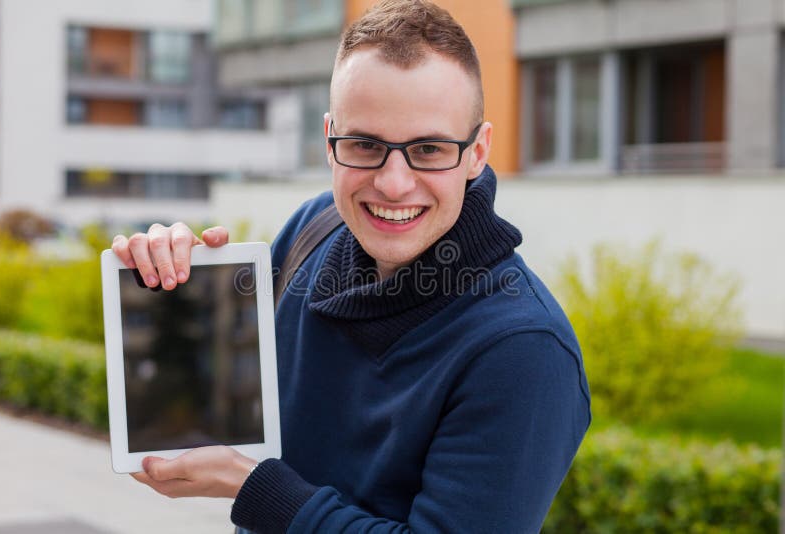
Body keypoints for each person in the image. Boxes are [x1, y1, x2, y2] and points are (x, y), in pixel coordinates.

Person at [111, 1, 591, 532]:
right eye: (364, 144)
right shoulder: (314, 227)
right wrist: (177, 281)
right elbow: (223, 401)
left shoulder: (524, 349)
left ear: (477, 152)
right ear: (329, 141)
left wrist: (256, 489)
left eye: (429, 149)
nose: (393, 183)